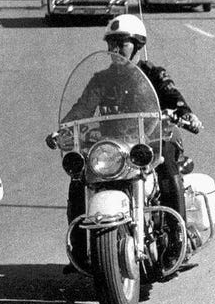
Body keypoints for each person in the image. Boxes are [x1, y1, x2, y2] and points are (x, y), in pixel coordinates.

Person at [46, 14, 202, 263]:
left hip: (154, 138)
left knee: (167, 168)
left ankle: (176, 240)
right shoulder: (101, 79)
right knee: (80, 175)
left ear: (138, 45)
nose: (115, 49)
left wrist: (185, 113)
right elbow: (82, 108)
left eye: (122, 43)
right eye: (111, 44)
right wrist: (63, 129)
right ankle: (79, 247)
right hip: (116, 145)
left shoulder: (154, 73)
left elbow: (173, 96)